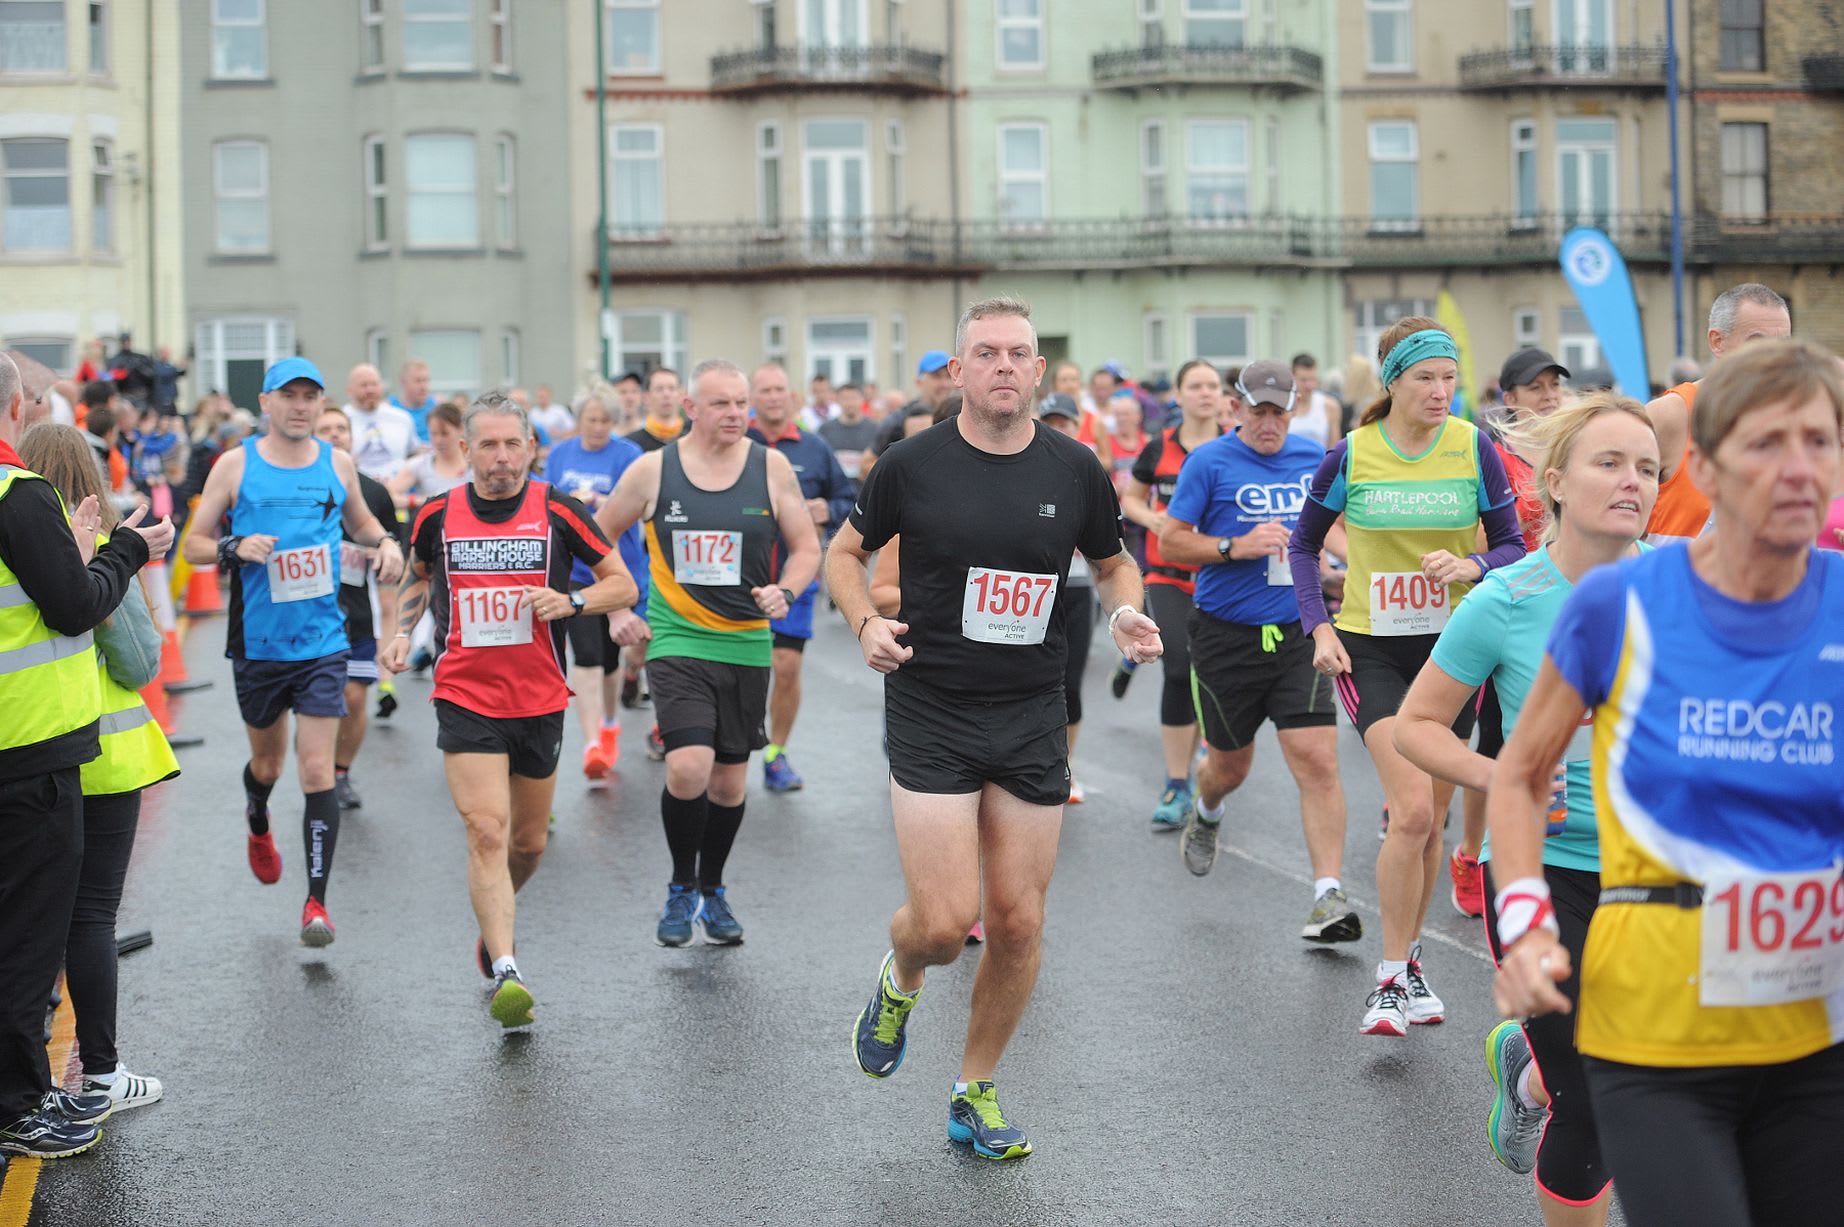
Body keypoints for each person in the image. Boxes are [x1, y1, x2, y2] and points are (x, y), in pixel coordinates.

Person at [1489, 339, 1844, 1227]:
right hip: (1656, 1038)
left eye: (1822, 441)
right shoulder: (1623, 604)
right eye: (1769, 444)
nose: (1800, 468)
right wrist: (1527, 924)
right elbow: (1521, 775)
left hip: (1818, 1035)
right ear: (1711, 467)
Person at [826, 297, 1162, 1161]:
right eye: (987, 353)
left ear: (1038, 371)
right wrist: (866, 623)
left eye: (1019, 353)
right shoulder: (910, 464)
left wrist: (1126, 611)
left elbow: (1116, 559)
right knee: (944, 922)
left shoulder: (1075, 467)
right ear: (960, 370)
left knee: (1016, 920)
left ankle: (974, 1086)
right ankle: (900, 980)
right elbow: (841, 556)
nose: (1004, 366)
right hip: (932, 704)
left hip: (1029, 708)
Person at [1396, 395, 1657, 1222]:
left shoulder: (1683, 589)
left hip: (1661, 881)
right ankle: (1549, 1074)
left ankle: (1527, 1063)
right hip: (1542, 878)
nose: (1633, 481)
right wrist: (1502, 774)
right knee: (1597, 1101)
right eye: (1609, 462)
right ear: (1554, 483)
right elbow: (1415, 724)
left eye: (1648, 467)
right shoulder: (1505, 599)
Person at [1290, 317, 1525, 1037]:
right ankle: (1390, 977)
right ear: (1392, 380)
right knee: (1414, 810)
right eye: (1426, 377)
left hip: (1455, 653)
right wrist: (1319, 628)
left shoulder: (1473, 446)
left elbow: (1516, 543)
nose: (1441, 390)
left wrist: (1473, 566)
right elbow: (1302, 546)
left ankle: (1412, 959)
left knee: (1432, 823)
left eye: (1450, 378)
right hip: (1372, 649)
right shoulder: (1352, 454)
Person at [384, 392, 635, 1029]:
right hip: (465, 694)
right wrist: (399, 631)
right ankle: (506, 966)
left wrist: (572, 603)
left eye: (512, 444)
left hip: (539, 698)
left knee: (526, 843)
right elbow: (418, 575)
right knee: (486, 830)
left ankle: (494, 921)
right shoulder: (437, 514)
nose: (501, 457)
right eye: (488, 445)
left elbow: (622, 584)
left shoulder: (558, 509)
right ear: (466, 450)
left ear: (531, 447)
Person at [0, 353, 172, 1159]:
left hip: (37, 747)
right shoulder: (27, 501)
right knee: (53, 933)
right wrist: (119, 551)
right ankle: (55, 1089)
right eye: (29, 398)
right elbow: (114, 638)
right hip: (48, 751)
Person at [596, 360, 821, 948]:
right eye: (721, 404)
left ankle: (713, 890)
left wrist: (787, 589)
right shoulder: (652, 470)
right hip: (676, 641)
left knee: (727, 784)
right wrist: (620, 606)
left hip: (747, 643)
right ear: (690, 408)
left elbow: (806, 548)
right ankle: (680, 885)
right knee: (687, 767)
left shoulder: (769, 466)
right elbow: (595, 537)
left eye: (741, 402)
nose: (735, 414)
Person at [180, 358, 404, 947]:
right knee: (269, 768)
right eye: (289, 396)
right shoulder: (236, 464)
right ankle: (258, 817)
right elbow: (193, 545)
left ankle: (316, 905)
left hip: (323, 643)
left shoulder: (338, 464)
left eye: (310, 396)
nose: (300, 406)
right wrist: (234, 544)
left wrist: (386, 545)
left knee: (313, 769)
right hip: (258, 644)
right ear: (267, 402)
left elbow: (363, 523)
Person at [1158, 360, 1359, 942]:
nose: (1268, 423)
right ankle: (1208, 808)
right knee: (1229, 768)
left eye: (1279, 412)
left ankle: (1328, 895)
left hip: (1302, 631)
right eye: (1258, 411)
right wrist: (1233, 545)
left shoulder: (1313, 461)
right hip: (1226, 636)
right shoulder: (1209, 462)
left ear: (1294, 411)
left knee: (1318, 760)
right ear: (1237, 409)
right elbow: (1171, 539)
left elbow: (1336, 526)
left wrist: (1342, 571)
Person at [1447, 346, 1574, 920]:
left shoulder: (1573, 448)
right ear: (1510, 397)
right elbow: (1477, 539)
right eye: (1535, 387)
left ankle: (1561, 845)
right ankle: (1473, 855)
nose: (1548, 395)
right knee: (1495, 740)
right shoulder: (1491, 456)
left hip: (1569, 605)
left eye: (1555, 385)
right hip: (1512, 607)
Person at [1119, 359, 1222, 830]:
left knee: (1207, 670)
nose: (1205, 393)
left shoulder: (1233, 446)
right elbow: (1131, 498)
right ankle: (1177, 783)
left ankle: (1203, 762)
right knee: (1179, 666)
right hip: (1166, 572)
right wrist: (1153, 519)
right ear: (1178, 394)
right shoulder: (1160, 447)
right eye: (1195, 386)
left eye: (1212, 386)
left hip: (1222, 576)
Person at [746, 363, 856, 793]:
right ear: (753, 399)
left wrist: (828, 510)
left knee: (786, 667)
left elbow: (848, 497)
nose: (773, 397)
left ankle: (776, 753)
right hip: (742, 578)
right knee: (745, 667)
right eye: (764, 391)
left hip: (797, 576)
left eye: (780, 390)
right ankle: (731, 744)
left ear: (791, 397)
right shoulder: (739, 444)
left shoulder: (813, 448)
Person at [543, 393, 646, 778]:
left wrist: (601, 501)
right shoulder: (561, 454)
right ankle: (590, 743)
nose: (598, 427)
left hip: (620, 567)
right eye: (592, 419)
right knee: (584, 657)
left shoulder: (629, 453)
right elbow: (549, 500)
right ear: (579, 419)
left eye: (605, 420)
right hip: (575, 571)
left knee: (609, 660)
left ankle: (609, 722)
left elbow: (632, 505)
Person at [1644, 283, 1791, 547]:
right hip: (1672, 585)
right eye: (1758, 342)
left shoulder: (1794, 423)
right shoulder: (1672, 415)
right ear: (1717, 342)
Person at [312, 406, 406, 809]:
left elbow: (393, 545)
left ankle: (340, 773)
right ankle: (315, 768)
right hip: (305, 614)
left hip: (355, 613)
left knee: (353, 697)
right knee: (314, 702)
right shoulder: (297, 487)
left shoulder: (373, 492)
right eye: (326, 429)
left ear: (352, 436)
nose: (335, 435)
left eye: (341, 428)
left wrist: (384, 556)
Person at [1036, 394, 1098, 802]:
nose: (1059, 430)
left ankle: (1064, 767)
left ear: (1077, 427)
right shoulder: (1026, 466)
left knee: (1070, 683)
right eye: (1051, 422)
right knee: (1037, 680)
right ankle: (1031, 762)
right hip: (1036, 590)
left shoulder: (1086, 470)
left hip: (1077, 587)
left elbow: (1109, 544)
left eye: (1066, 423)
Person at [866, 351, 955, 472]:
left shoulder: (959, 415)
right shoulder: (898, 419)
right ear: (919, 382)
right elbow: (867, 464)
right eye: (937, 376)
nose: (944, 384)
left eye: (948, 376)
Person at [343, 363, 419, 482]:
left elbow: (414, 455)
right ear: (349, 390)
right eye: (364, 385)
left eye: (374, 384)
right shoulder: (341, 419)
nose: (370, 390)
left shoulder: (402, 418)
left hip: (397, 493)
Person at [388, 402, 469, 505]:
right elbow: (388, 495)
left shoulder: (476, 465)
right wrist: (421, 502)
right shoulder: (420, 465)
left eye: (445, 433)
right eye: (434, 434)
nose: (438, 440)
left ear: (461, 429)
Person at [819, 383, 879, 480]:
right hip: (836, 490)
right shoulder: (825, 429)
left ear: (862, 400)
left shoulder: (875, 429)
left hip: (865, 489)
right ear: (837, 400)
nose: (850, 403)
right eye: (845, 399)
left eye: (854, 398)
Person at [1287, 354, 1343, 450]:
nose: (1308, 385)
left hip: (1319, 464)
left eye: (1312, 379)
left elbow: (1333, 450)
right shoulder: (1283, 406)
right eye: (1303, 380)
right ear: (1292, 378)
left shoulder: (1330, 406)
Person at [624, 367, 684, 454]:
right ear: (646, 397)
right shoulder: (631, 445)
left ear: (681, 395)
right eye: (659, 389)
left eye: (672, 388)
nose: (666, 394)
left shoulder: (694, 439)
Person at [389, 359, 440, 443]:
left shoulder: (436, 408)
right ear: (403, 382)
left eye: (426, 380)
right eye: (418, 381)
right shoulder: (390, 408)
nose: (423, 386)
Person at [151, 346, 186, 417]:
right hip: (163, 399)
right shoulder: (157, 365)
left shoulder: (169, 365)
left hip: (171, 399)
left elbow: (179, 374)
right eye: (166, 353)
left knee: (175, 419)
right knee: (164, 419)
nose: (168, 355)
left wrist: (183, 366)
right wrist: (176, 366)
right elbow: (165, 374)